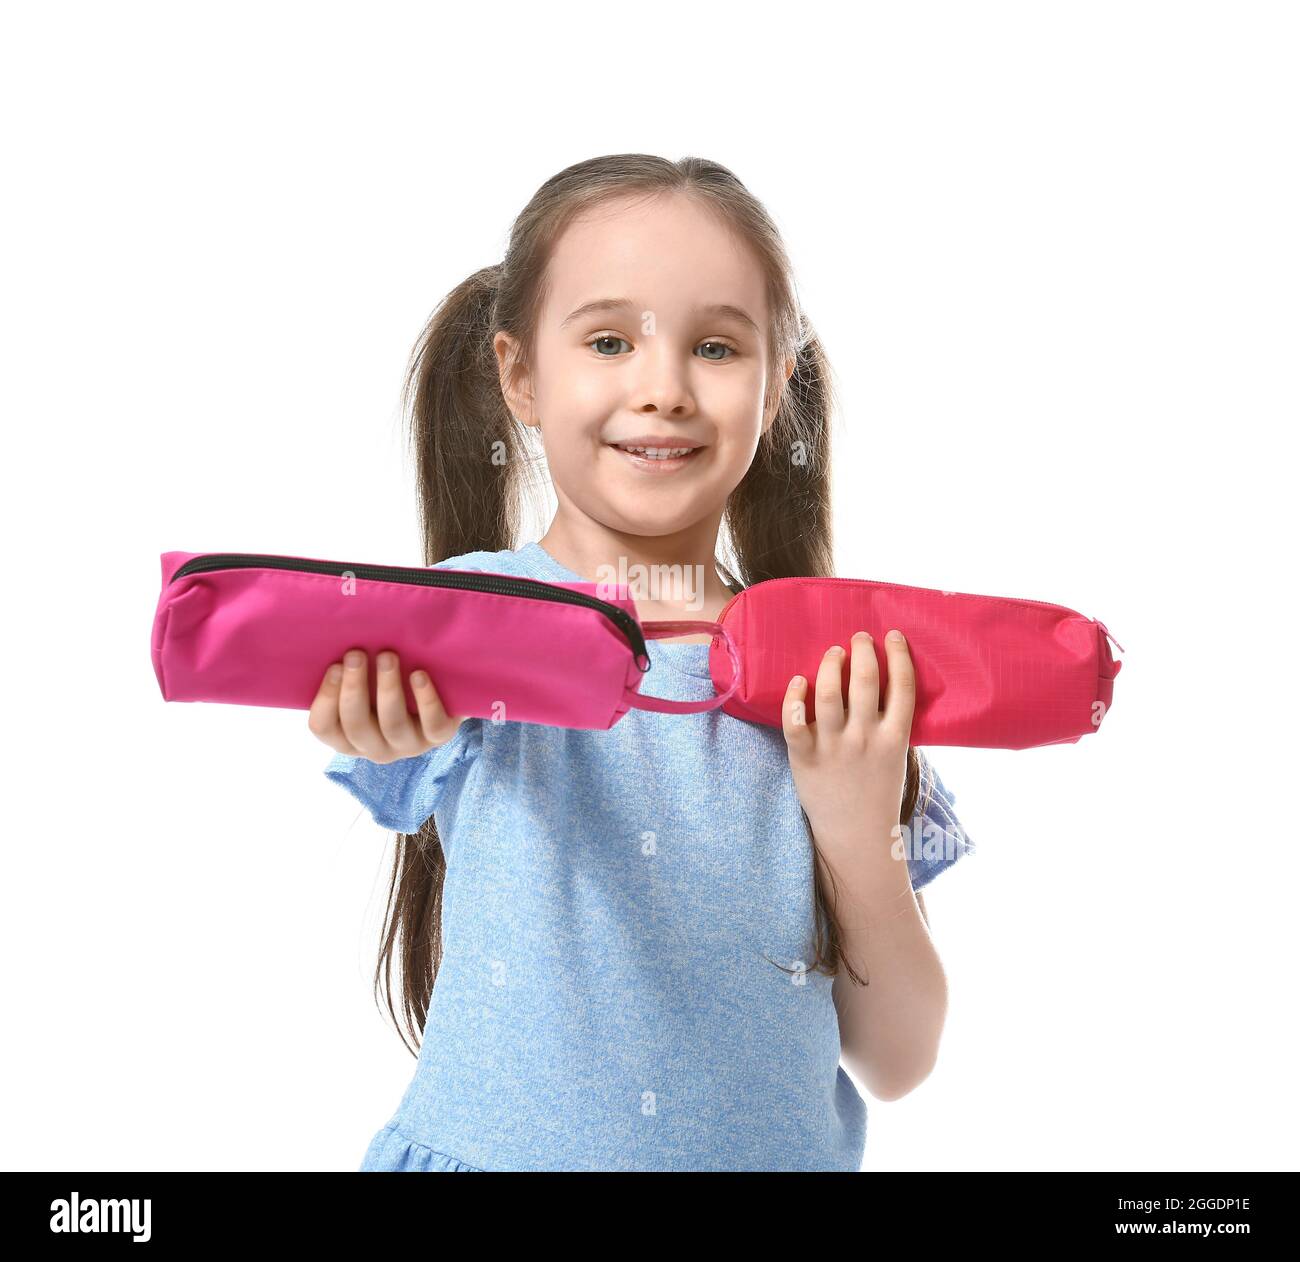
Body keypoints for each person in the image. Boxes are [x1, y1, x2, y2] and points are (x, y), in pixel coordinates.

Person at [312, 153, 974, 1172]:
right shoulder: (469, 616)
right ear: (520, 375)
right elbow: (374, 737)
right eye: (610, 340)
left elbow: (900, 1058)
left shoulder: (835, 673)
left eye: (714, 346)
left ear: (774, 383)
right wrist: (386, 720)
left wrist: (854, 832)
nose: (661, 389)